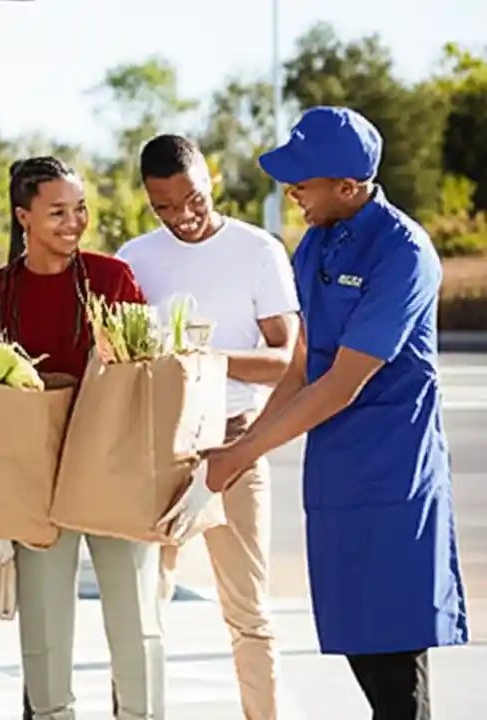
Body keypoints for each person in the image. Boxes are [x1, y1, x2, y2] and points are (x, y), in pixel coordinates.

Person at [163, 106, 470, 719]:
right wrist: (241, 442)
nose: (291, 191)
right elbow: (302, 364)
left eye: (302, 183)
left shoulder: (404, 254)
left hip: (394, 479)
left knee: (396, 667)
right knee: (358, 643)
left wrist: (238, 457)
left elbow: (342, 383)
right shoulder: (316, 245)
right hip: (335, 476)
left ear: (349, 187)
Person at [0, 156, 163, 720]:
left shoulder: (112, 279)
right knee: (46, 628)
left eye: (80, 209)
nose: (74, 222)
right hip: (38, 480)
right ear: (22, 216)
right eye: (58, 212)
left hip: (115, 471)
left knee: (135, 623)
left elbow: (142, 372)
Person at [116, 134, 300, 720]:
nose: (182, 217)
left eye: (192, 199)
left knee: (248, 613)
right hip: (158, 448)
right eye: (163, 207)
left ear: (210, 180)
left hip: (237, 442)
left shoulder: (258, 251)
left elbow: (284, 361)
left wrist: (202, 360)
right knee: (142, 612)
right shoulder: (134, 258)